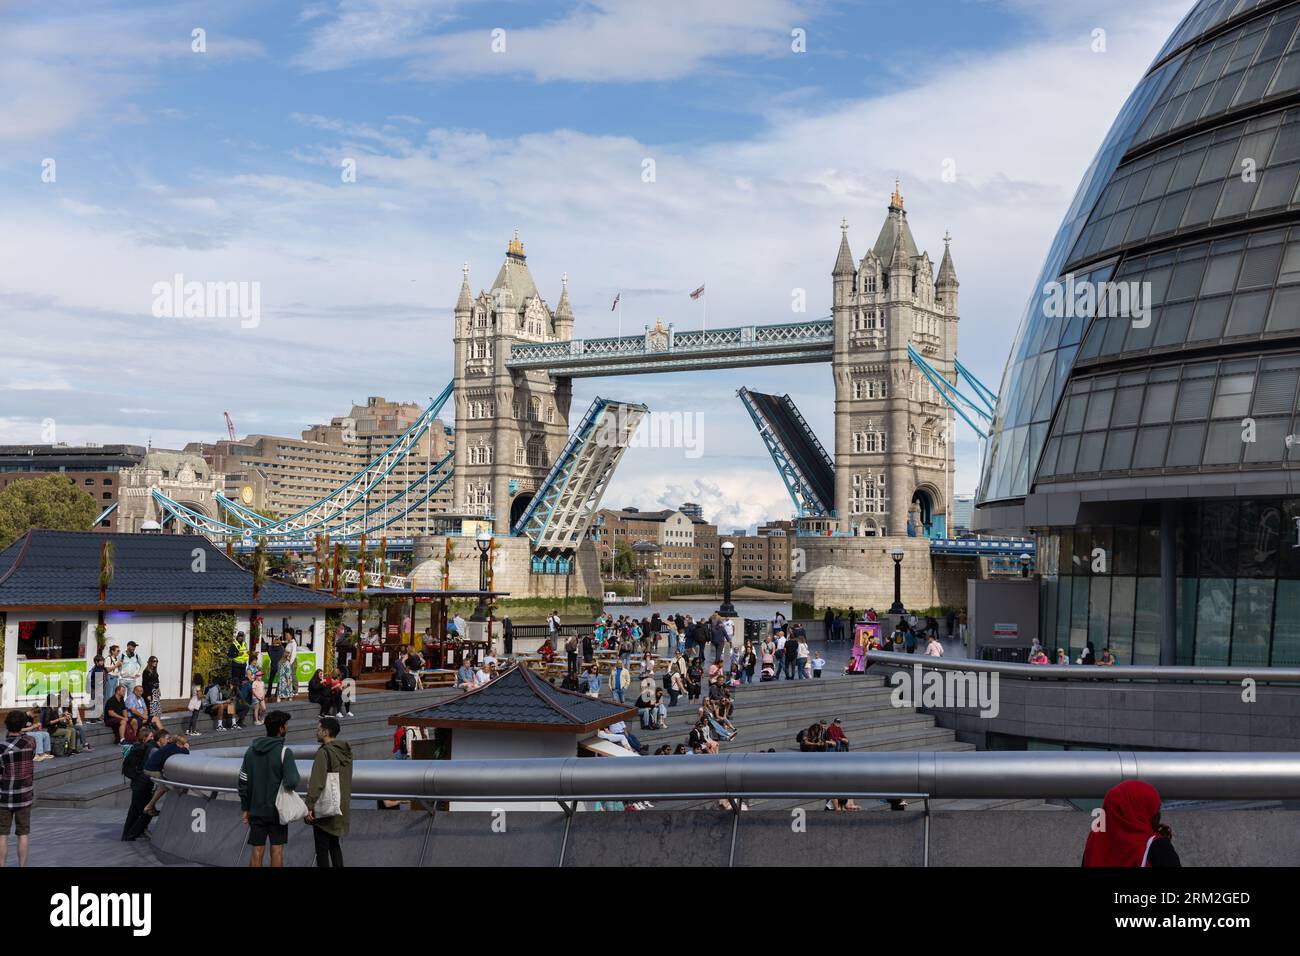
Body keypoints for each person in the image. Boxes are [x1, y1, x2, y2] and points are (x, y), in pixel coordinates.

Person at [238, 710, 300, 868]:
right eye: (286, 725)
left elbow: (243, 781)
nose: (287, 728)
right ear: (280, 729)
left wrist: (245, 807)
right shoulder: (285, 752)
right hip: (276, 811)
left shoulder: (251, 751)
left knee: (257, 850)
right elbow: (292, 781)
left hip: (255, 809)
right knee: (277, 850)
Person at [1083, 780, 1181, 867]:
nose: (1158, 815)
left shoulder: (1095, 841)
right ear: (1139, 813)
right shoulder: (1158, 847)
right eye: (1155, 809)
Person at [306, 716, 353, 869]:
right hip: (340, 805)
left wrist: (309, 805)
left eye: (318, 729)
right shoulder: (345, 752)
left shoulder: (324, 753)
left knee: (322, 850)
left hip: (325, 808)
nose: (316, 732)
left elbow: (317, 783)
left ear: (325, 732)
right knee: (334, 846)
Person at [0, 710, 37, 867]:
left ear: (7, 725)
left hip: (4, 795)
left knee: (2, 834)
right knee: (23, 833)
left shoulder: (1, 748)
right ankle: (23, 865)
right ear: (22, 726)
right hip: (24, 794)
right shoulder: (30, 742)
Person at [120, 728, 160, 841]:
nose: (153, 739)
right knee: (147, 812)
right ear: (144, 737)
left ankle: (126, 834)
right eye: (151, 737)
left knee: (133, 811)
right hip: (142, 784)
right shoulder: (146, 748)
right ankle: (132, 834)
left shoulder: (138, 747)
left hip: (136, 783)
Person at [141, 656, 166, 733]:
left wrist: (158, 689)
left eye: (156, 661)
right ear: (150, 662)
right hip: (149, 691)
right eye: (153, 661)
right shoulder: (146, 672)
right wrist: (147, 694)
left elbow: (157, 681)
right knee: (150, 708)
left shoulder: (154, 671)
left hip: (155, 692)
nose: (155, 663)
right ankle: (150, 724)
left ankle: (156, 723)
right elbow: (145, 684)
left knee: (156, 708)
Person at [278, 632, 299, 700]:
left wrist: (290, 663)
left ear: (291, 635)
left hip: (292, 661)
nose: (286, 636)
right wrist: (281, 641)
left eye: (287, 635)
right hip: (287, 661)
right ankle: (288, 691)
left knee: (292, 675)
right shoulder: (289, 642)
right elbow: (284, 641)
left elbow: (293, 654)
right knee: (288, 677)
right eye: (285, 635)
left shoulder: (293, 643)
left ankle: (295, 691)